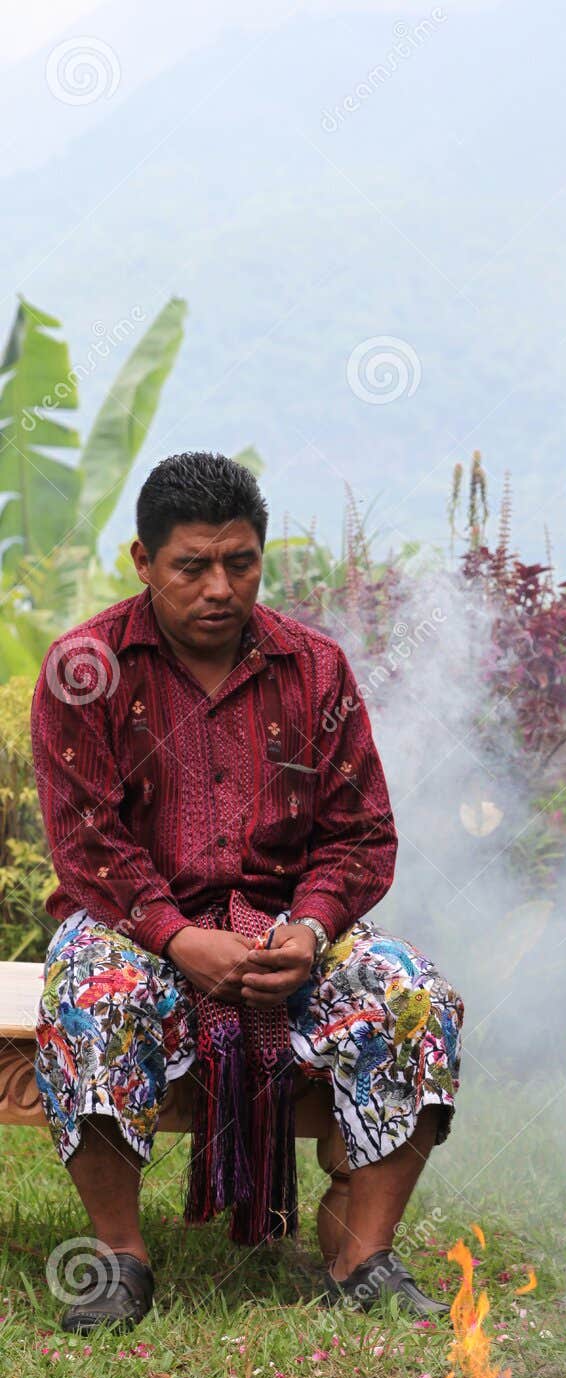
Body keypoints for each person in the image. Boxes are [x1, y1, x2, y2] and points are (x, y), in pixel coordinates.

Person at [31, 452, 462, 1332]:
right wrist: (176, 937)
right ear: (143, 563)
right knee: (90, 991)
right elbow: (87, 846)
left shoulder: (316, 669)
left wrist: (308, 927)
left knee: (418, 994)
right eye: (192, 566)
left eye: (241, 562)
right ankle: (120, 1260)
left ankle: (360, 1255)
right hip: (129, 920)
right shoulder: (86, 668)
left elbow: (360, 835)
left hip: (283, 927)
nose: (219, 586)